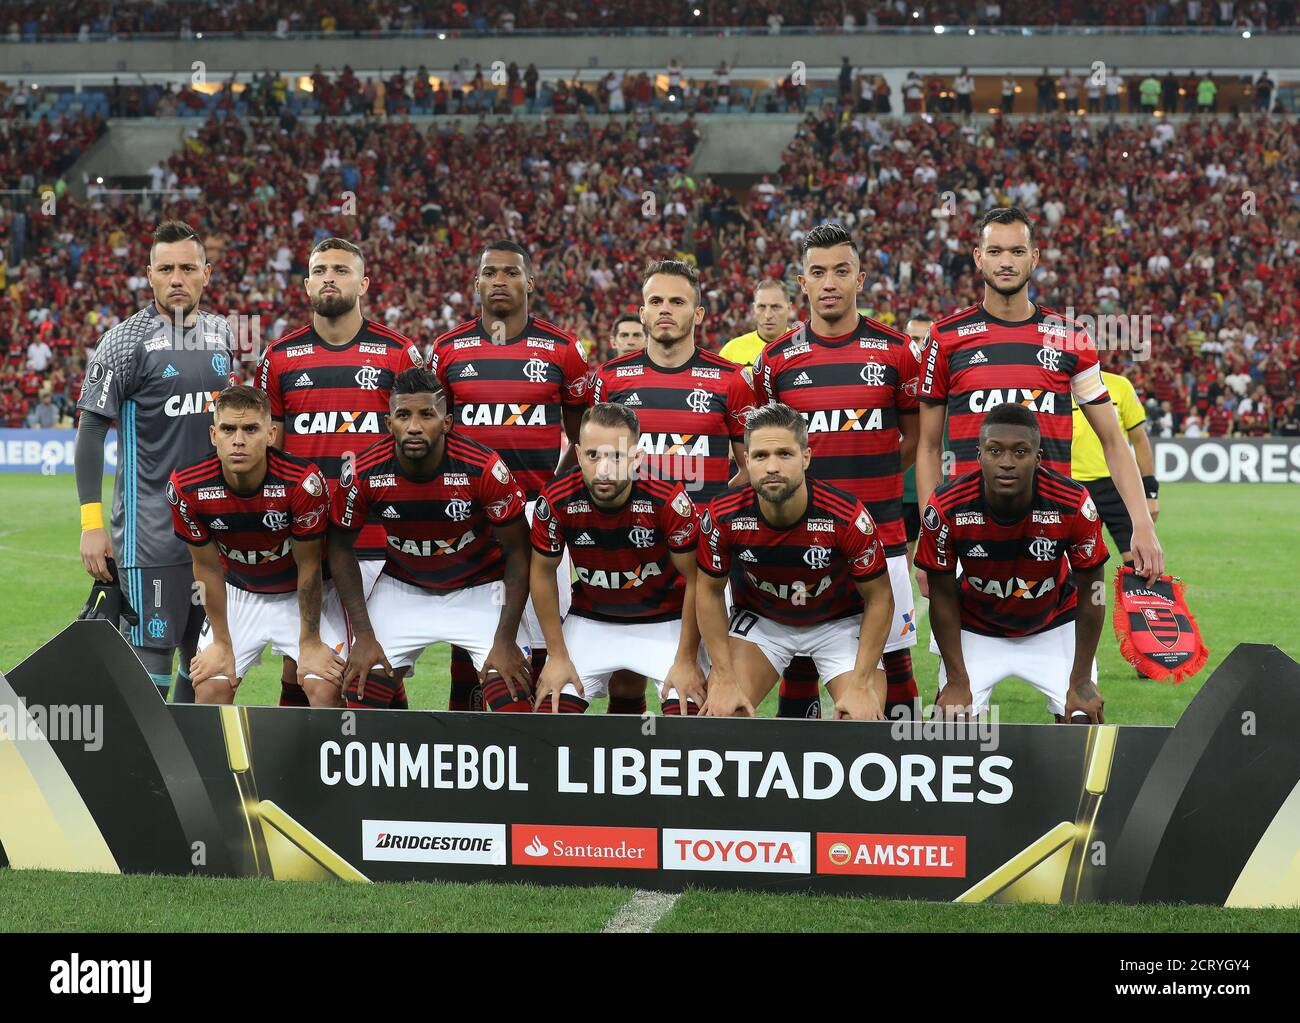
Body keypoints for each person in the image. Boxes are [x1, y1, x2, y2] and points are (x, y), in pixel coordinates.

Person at [915, 206, 1163, 589]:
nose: (1006, 262)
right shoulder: (946, 337)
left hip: (1054, 532)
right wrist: (931, 540)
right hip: (966, 533)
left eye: (1017, 251)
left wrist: (1141, 524)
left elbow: (1114, 440)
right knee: (962, 649)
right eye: (995, 251)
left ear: (1034, 257)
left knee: (1068, 646)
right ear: (979, 258)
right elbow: (929, 447)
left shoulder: (1070, 336)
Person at [754, 223, 920, 720]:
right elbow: (766, 449)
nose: (829, 282)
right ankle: (799, 784)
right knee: (802, 659)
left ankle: (898, 779)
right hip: (799, 539)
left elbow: (912, 439)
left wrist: (873, 487)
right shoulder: (776, 360)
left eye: (841, 271)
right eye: (817, 272)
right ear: (801, 283)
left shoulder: (896, 352)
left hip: (884, 535)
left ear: (860, 278)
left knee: (892, 665)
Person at [256, 237, 424, 709]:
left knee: (378, 665)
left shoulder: (398, 353)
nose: (330, 276)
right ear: (307, 283)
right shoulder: (279, 357)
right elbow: (273, 453)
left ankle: (382, 771)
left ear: (363, 283)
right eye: (320, 269)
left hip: (378, 539)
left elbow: (419, 443)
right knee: (301, 659)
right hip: (308, 538)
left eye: (342, 269)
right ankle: (301, 771)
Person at [75, 219, 234, 700]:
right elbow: (90, 433)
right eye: (166, 269)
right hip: (150, 534)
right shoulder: (124, 342)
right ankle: (143, 771)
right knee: (152, 653)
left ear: (206, 273)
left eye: (188, 268)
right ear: (149, 275)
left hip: (215, 529)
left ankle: (188, 764)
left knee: (205, 658)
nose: (177, 279)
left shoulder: (222, 333)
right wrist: (91, 524)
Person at [591, 259, 754, 715]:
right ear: (641, 312)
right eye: (655, 301)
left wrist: (712, 515)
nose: (665, 310)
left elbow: (751, 471)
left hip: (700, 561)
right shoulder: (610, 381)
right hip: (627, 552)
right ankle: (621, 780)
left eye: (678, 301)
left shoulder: (731, 380)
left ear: (698, 314)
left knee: (689, 692)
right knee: (624, 681)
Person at [327, 368, 533, 710]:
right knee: (362, 689)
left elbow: (518, 552)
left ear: (447, 422)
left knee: (512, 695)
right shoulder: (364, 472)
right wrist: (363, 636)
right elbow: (338, 547)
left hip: (480, 588)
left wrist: (505, 638)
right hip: (403, 586)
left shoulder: (482, 468)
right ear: (388, 422)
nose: (414, 426)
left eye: (427, 414)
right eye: (403, 415)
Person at [696, 402, 893, 720]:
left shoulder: (846, 516)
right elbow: (708, 592)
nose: (772, 467)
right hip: (763, 621)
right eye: (761, 456)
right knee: (723, 715)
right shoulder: (723, 515)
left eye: (784, 454)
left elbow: (880, 597)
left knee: (861, 722)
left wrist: (860, 682)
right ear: (746, 460)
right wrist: (723, 675)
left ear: (806, 457)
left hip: (838, 624)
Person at [917, 404, 1109, 723]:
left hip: (1052, 622)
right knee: (951, 724)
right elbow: (942, 596)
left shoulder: (1072, 503)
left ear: (1038, 457)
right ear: (979, 456)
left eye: (1020, 452)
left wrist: (1081, 680)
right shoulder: (946, 505)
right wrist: (956, 680)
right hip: (976, 626)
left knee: (1082, 719)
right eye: (995, 451)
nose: (1006, 463)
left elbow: (1093, 593)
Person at [168, 386, 345, 705]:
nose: (238, 439)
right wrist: (221, 642)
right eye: (228, 429)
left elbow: (309, 565)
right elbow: (206, 567)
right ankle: (216, 757)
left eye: (251, 429)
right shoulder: (187, 486)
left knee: (324, 686)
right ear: (213, 434)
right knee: (209, 686)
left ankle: (322, 754)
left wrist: (310, 641)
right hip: (239, 594)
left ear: (271, 433)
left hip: (298, 593)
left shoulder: (302, 481)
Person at [530, 402, 705, 714]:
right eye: (594, 455)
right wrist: (556, 655)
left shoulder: (667, 498)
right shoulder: (557, 497)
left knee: (691, 722)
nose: (604, 469)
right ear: (579, 454)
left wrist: (687, 659)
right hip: (591, 618)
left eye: (616, 456)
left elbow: (698, 579)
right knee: (550, 717)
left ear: (636, 458)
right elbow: (542, 573)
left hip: (666, 621)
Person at [1071, 369, 1159, 563]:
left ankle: (1139, 594)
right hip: (1074, 489)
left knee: (1140, 562)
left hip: (1117, 486)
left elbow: (1140, 441)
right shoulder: (1058, 388)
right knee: (1078, 564)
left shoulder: (1120, 385)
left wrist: (1151, 493)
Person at [717, 279, 794, 376]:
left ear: (789, 308)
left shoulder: (806, 350)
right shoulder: (731, 351)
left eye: (775, 307)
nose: (768, 315)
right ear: (754, 309)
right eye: (761, 307)